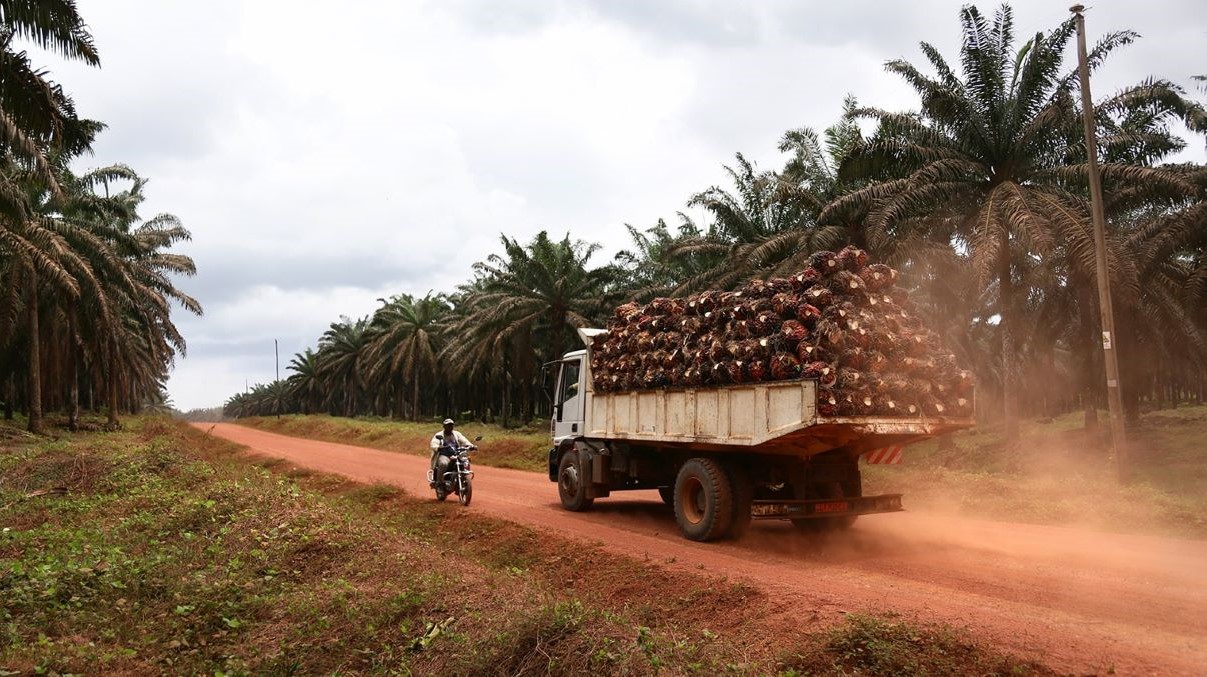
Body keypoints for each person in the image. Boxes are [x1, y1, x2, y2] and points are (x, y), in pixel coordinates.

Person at [429, 418, 475, 488]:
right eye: (448, 425)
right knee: (443, 464)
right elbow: (433, 444)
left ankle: (463, 479)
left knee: (465, 462)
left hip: (456, 454)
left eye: (451, 425)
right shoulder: (439, 435)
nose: (450, 427)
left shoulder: (456, 434)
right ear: (444, 426)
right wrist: (438, 447)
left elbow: (464, 440)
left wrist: (471, 446)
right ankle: (440, 483)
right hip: (445, 455)